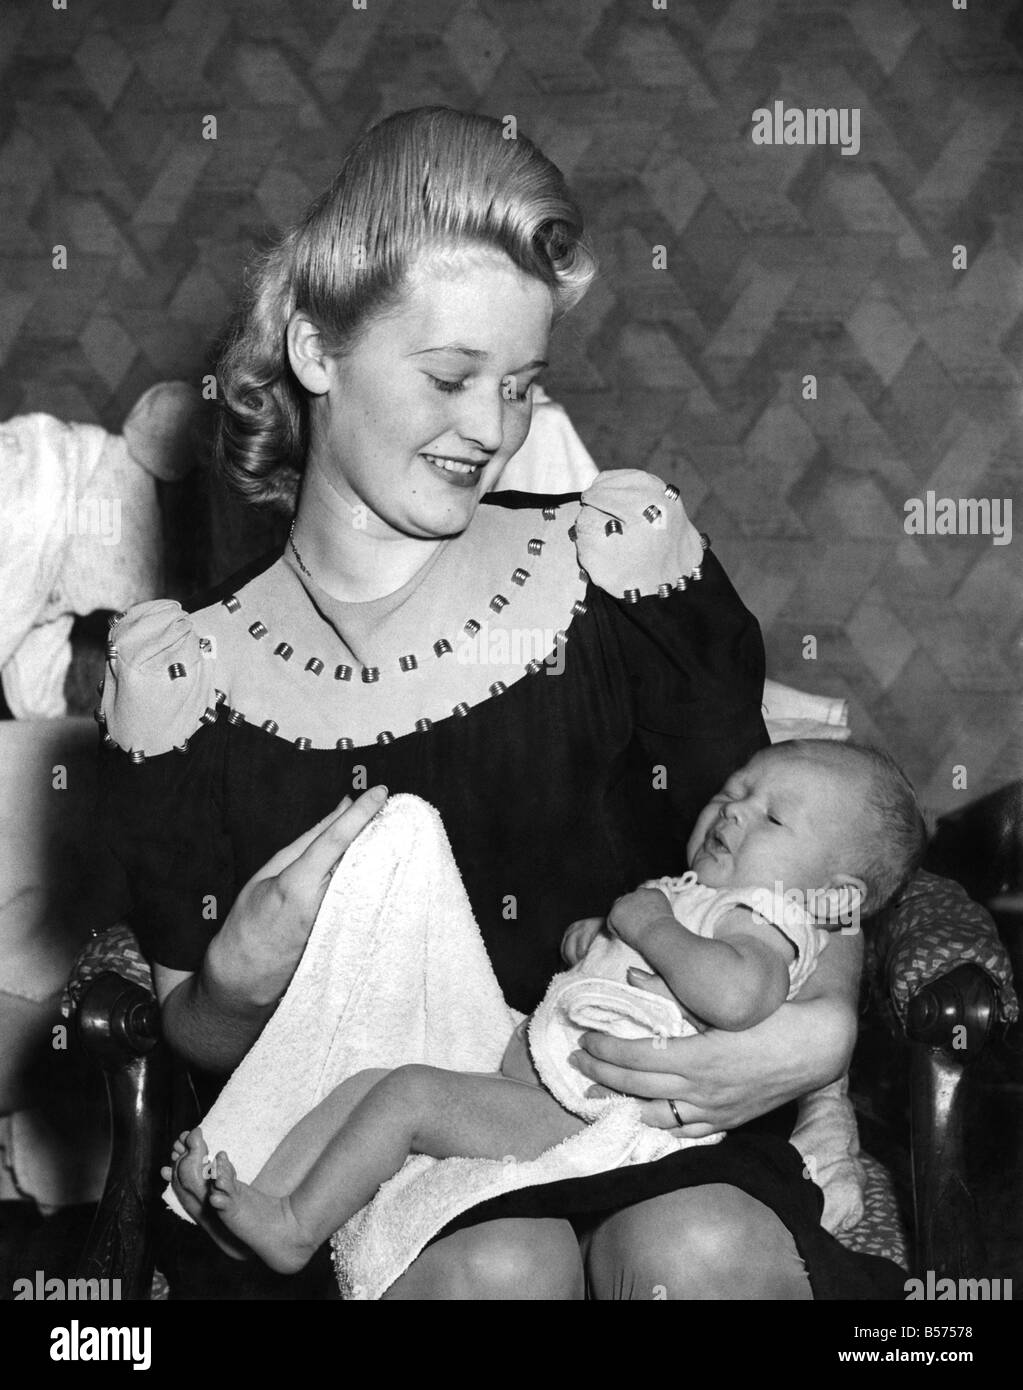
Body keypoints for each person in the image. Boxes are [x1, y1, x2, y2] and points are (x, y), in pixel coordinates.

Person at [98, 105, 894, 1300]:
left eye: (522, 384)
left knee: (692, 1250)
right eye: (453, 376)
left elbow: (797, 843)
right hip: (360, 1163)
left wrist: (815, 1028)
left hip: (651, 1125)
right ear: (317, 352)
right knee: (498, 1270)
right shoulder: (186, 684)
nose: (494, 431)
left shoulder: (621, 582)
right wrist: (237, 973)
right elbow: (193, 1033)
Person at [163, 739, 926, 1279]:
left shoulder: (769, 919)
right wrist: (598, 940)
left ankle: (294, 1229)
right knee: (373, 1086)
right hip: (550, 1087)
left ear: (834, 895)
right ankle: (261, 1207)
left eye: (773, 818)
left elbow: (734, 993)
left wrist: (646, 926)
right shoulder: (701, 900)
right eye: (733, 792)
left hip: (606, 1130)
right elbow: (637, 966)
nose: (732, 811)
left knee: (409, 1095)